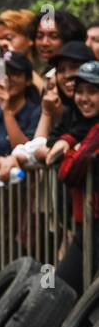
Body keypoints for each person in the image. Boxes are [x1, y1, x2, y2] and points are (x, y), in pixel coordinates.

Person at [54, 61, 99, 294]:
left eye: (93, 91)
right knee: (63, 288)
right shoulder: (80, 126)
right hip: (85, 226)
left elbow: (69, 172)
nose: (84, 98)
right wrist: (72, 142)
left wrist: (70, 148)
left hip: (95, 228)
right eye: (80, 91)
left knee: (61, 291)